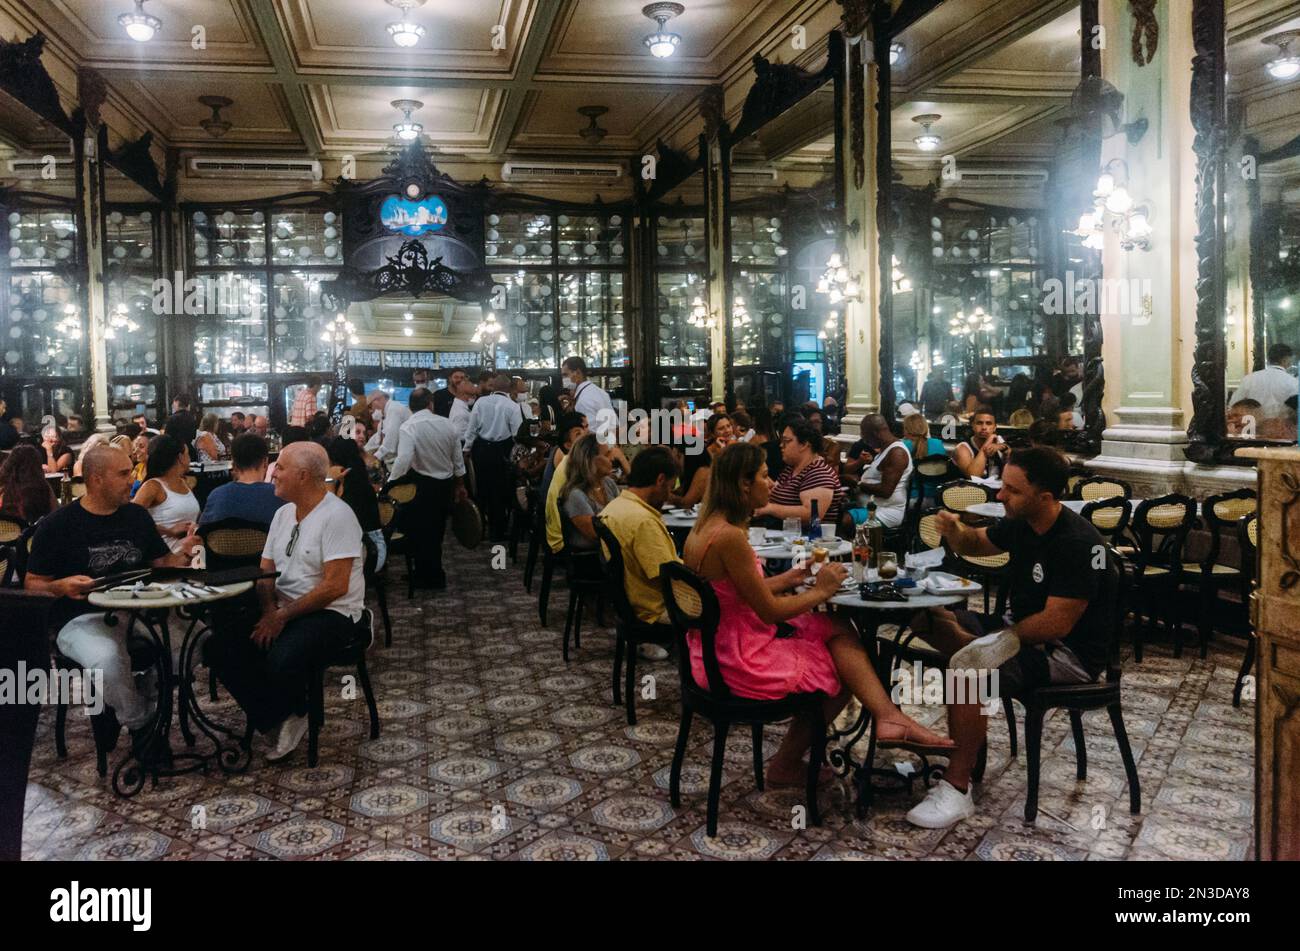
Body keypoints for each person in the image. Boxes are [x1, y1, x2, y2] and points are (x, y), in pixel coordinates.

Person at [684, 443, 953, 785]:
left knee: (836, 624)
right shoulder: (729, 538)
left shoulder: (706, 528)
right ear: (743, 483)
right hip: (735, 658)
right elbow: (768, 612)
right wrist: (820, 591)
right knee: (838, 674)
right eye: (765, 476)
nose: (772, 485)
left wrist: (795, 577)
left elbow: (740, 590)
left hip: (711, 648)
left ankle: (887, 716)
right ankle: (787, 763)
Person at [903, 447, 1115, 828]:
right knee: (923, 617)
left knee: (967, 669)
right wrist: (955, 531)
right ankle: (969, 732)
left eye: (1012, 490)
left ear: (1045, 497)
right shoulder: (1022, 522)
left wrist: (990, 646)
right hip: (1018, 630)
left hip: (1066, 655)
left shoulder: (1079, 543)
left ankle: (957, 786)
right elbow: (976, 544)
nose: (1000, 496)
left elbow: (1055, 624)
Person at [24, 444, 199, 752]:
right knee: (107, 660)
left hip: (139, 610)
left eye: (131, 472)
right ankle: (142, 724)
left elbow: (162, 564)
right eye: (123, 474)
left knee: (197, 640)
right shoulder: (58, 524)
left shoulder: (136, 517)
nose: (131, 481)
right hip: (80, 617)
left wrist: (183, 552)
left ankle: (135, 696)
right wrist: (61, 586)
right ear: (96, 479)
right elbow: (33, 584)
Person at [204, 442, 367, 763]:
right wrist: (269, 611)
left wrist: (282, 616)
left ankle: (292, 709)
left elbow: (335, 586)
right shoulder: (282, 514)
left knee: (280, 657)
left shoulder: (337, 516)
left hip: (332, 613)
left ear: (303, 476)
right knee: (217, 646)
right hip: (283, 608)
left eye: (280, 468)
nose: (272, 473)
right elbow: (265, 572)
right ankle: (280, 715)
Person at [387, 388, 469, 589]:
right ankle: (432, 572)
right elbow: (458, 460)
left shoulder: (409, 427)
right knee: (437, 530)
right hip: (445, 486)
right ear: (430, 403)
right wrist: (460, 485)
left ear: (410, 406)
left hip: (421, 486)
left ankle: (427, 575)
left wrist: (390, 483)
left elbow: (404, 460)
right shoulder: (447, 425)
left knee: (420, 531)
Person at [599, 445, 682, 627]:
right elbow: (668, 574)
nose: (669, 495)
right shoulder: (643, 521)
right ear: (660, 480)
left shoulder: (615, 506)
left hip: (629, 602)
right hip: (655, 609)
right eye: (669, 487)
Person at [464, 371, 525, 543]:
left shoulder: (481, 402)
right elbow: (517, 435)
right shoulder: (512, 406)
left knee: (481, 490)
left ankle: (479, 529)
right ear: (509, 388)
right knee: (499, 492)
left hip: (481, 450)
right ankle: (497, 532)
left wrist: (466, 450)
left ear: (494, 387)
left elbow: (471, 429)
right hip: (502, 452)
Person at [753, 418, 841, 527]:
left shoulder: (819, 473)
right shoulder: (791, 469)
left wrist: (770, 508)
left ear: (804, 444)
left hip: (807, 540)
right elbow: (774, 493)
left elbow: (812, 515)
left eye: (786, 441)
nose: (781, 445)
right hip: (783, 534)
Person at [199, 434, 286, 528]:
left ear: (233, 463)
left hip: (226, 543)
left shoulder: (216, 496)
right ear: (265, 462)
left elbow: (203, 532)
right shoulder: (280, 496)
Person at [133, 434, 202, 553]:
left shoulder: (185, 483)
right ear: (180, 457)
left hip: (190, 554)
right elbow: (132, 520)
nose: (190, 458)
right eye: (187, 454)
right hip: (166, 555)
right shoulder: (153, 486)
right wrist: (168, 531)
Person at [327, 436, 385, 572]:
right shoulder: (341, 483)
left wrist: (329, 481)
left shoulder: (358, 488)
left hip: (370, 549)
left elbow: (333, 518)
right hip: (351, 543)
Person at [559, 434, 620, 552]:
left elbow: (623, 514)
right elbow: (595, 534)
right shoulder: (575, 495)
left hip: (612, 549)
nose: (612, 458)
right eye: (607, 454)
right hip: (593, 559)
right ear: (590, 460)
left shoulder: (608, 483)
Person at [544, 413, 590, 557]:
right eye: (579, 434)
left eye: (586, 429)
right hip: (564, 539)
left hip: (563, 532)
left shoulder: (573, 460)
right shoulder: (574, 464)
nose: (587, 434)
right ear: (568, 445)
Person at [855, 414, 913, 528]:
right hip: (873, 506)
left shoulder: (897, 453)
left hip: (886, 512)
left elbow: (886, 491)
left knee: (845, 519)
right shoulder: (885, 450)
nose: (865, 441)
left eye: (866, 437)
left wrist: (859, 484)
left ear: (875, 434)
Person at [670, 412, 734, 510]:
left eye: (728, 426)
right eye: (721, 428)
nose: (727, 430)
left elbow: (687, 502)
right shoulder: (706, 452)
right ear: (712, 433)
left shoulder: (703, 468)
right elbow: (687, 487)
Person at [1229, 343, 1297, 424]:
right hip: (1282, 431)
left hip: (1253, 430)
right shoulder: (1293, 382)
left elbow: (1234, 404)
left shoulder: (1249, 379)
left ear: (1268, 358)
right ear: (1286, 360)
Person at [0, 444, 56, 524]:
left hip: (5, 533)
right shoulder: (42, 487)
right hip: (34, 533)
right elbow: (55, 512)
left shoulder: (3, 487)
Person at [562, 356, 614, 438]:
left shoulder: (584, 399)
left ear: (578, 373)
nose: (564, 379)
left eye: (565, 375)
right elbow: (615, 425)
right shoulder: (600, 392)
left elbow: (589, 435)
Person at [901, 411, 946, 502]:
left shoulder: (903, 446)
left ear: (906, 430)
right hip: (936, 498)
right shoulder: (938, 443)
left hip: (912, 498)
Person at [952, 407, 1007, 480]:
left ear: (994, 427)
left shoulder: (999, 443)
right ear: (973, 426)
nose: (984, 427)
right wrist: (987, 443)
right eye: (979, 423)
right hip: (971, 490)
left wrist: (1004, 449)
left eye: (988, 423)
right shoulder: (962, 448)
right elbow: (974, 476)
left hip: (997, 490)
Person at [367, 390, 411, 465]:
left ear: (377, 400)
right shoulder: (385, 414)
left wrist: (374, 457)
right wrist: (364, 450)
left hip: (405, 462)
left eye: (370, 406)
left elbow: (390, 442)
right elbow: (377, 438)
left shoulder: (394, 409)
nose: (371, 410)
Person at [448, 371, 476, 444]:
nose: (474, 397)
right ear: (464, 395)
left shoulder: (460, 406)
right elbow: (460, 438)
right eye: (472, 395)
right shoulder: (461, 414)